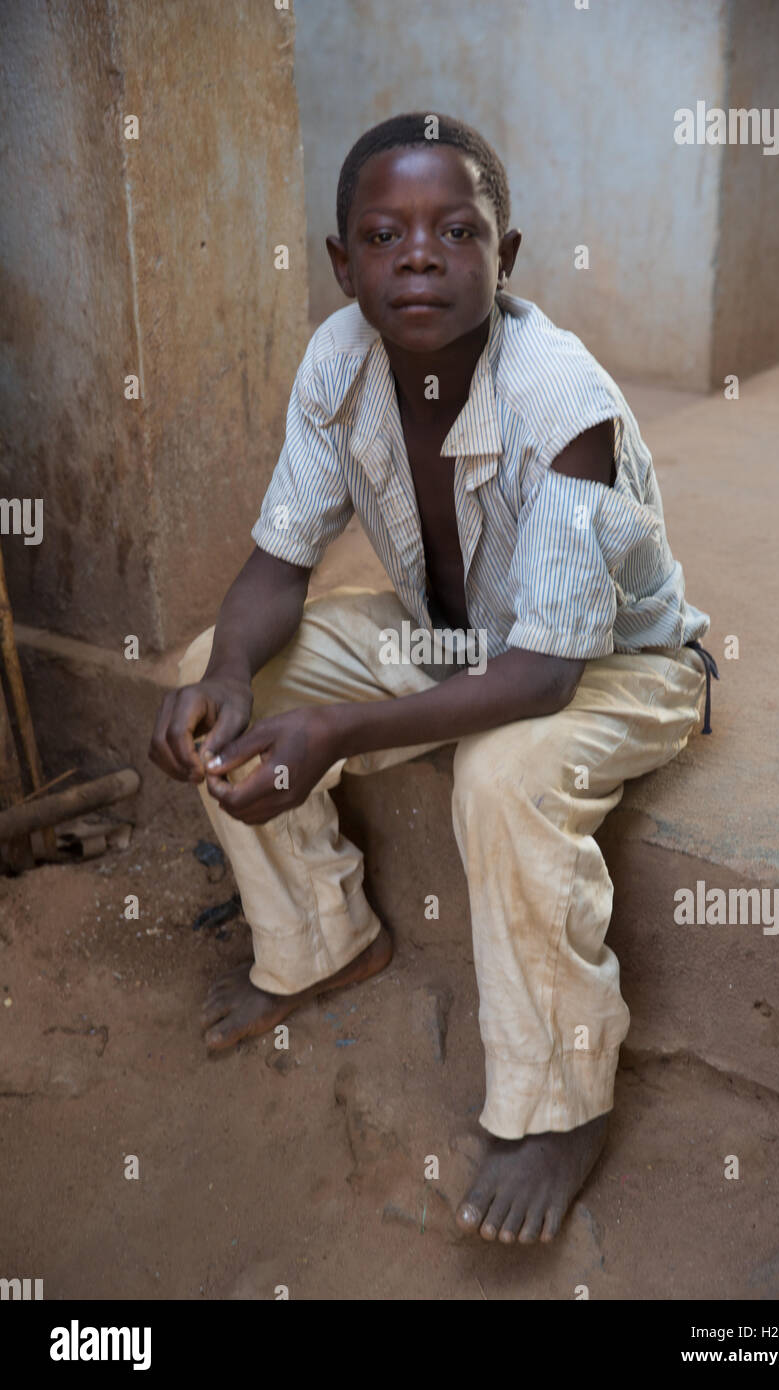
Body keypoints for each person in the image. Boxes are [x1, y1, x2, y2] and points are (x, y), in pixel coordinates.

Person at [149, 111, 717, 1246]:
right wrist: (228, 672)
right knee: (224, 675)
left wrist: (337, 732)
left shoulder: (560, 402)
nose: (418, 253)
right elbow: (277, 565)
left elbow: (544, 678)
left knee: (502, 775)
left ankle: (559, 1106)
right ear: (341, 261)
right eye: (384, 232)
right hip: (450, 637)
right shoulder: (338, 358)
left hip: (614, 660)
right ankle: (322, 943)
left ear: (504, 260)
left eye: (456, 230)